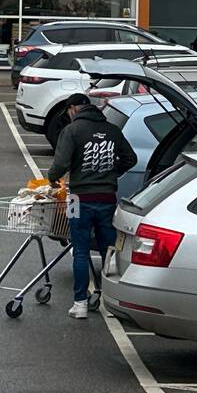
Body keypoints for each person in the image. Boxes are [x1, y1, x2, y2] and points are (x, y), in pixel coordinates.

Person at [47, 94, 137, 318]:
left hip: (79, 199)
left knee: (80, 249)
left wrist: (52, 179)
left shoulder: (72, 131)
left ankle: (80, 304)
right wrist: (112, 174)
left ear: (73, 109)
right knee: (109, 251)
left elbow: (60, 164)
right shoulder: (113, 131)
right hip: (107, 197)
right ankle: (110, 303)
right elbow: (131, 159)